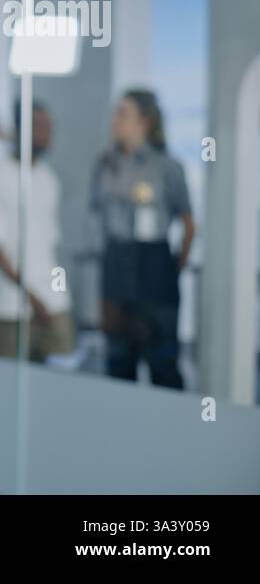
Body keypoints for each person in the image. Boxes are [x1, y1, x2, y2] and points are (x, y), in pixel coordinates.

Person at [89, 88, 193, 389]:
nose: (115, 119)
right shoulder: (105, 165)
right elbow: (95, 221)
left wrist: (173, 269)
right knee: (119, 366)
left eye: (123, 113)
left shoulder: (167, 168)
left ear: (145, 121)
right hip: (116, 270)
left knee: (163, 367)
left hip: (155, 270)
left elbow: (188, 223)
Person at [0, 102, 74, 362]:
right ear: (21, 130)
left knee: (59, 377)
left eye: (49, 127)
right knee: (4, 385)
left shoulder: (49, 179)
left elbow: (49, 245)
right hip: (7, 305)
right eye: (39, 127)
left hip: (50, 301)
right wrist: (30, 296)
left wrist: (53, 296)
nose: (46, 134)